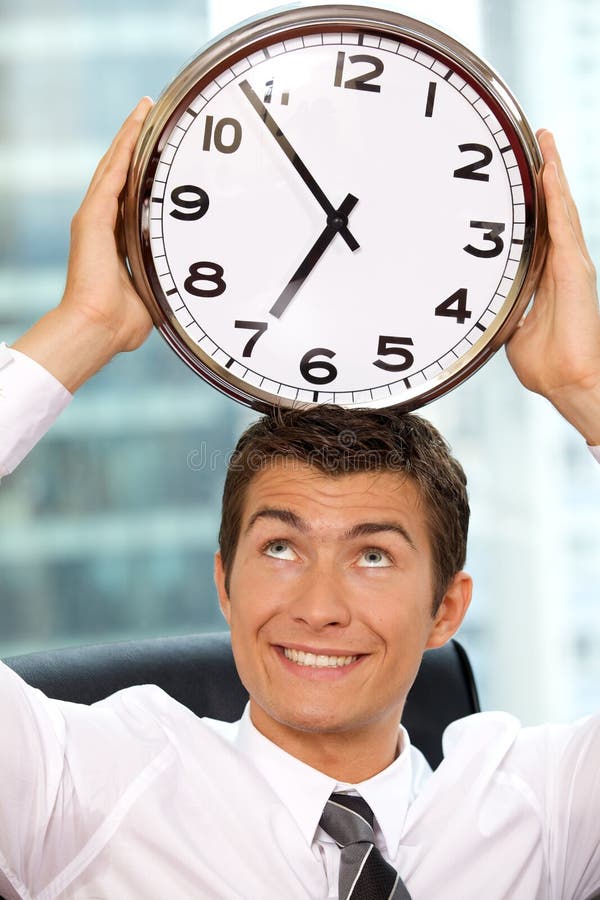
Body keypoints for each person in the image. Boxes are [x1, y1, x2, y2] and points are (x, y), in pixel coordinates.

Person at [0, 97, 599, 899]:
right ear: (223, 580)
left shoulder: (547, 812)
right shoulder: (75, 788)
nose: (319, 606)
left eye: (374, 555)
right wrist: (86, 326)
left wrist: (586, 386)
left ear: (446, 612)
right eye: (281, 547)